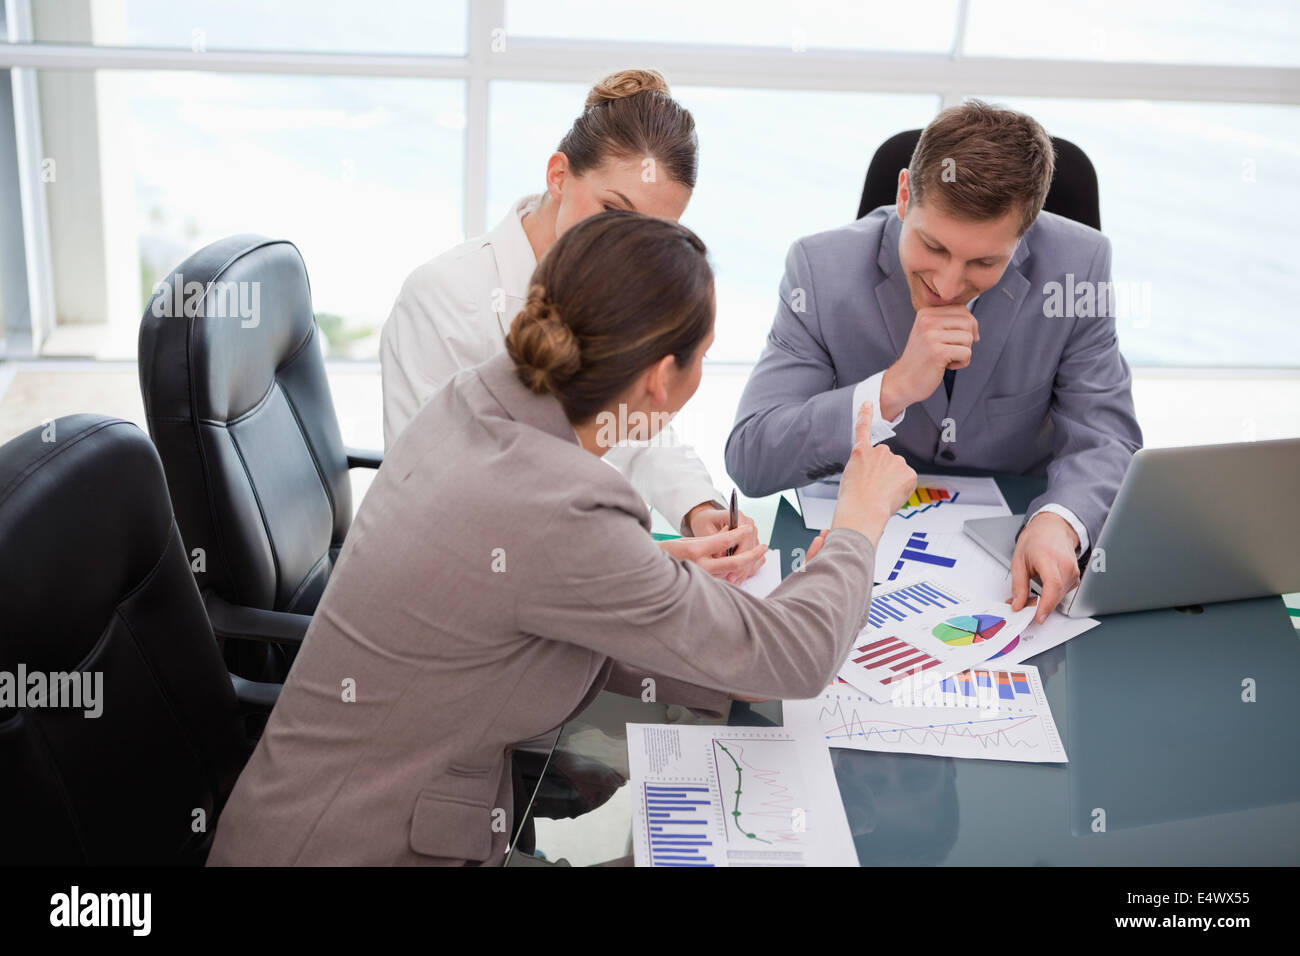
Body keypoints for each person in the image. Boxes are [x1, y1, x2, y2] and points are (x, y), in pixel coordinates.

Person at [206, 211, 916, 866]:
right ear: (662, 379)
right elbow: (792, 658)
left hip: (307, 811)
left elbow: (502, 566)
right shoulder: (565, 504)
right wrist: (858, 523)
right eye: (701, 356)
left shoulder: (471, 399)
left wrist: (647, 565)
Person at [725, 99, 1143, 624]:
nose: (947, 285)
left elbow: (1106, 437)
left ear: (1027, 229)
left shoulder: (1078, 267)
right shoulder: (819, 270)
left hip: (1011, 548)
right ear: (903, 195)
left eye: (985, 261)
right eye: (933, 246)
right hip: (861, 551)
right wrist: (891, 389)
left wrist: (1059, 522)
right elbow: (752, 456)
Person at [381, 68, 761, 582]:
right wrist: (646, 561)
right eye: (611, 209)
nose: (624, 242)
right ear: (558, 175)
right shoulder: (445, 296)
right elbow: (438, 508)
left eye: (651, 231)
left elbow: (632, 423)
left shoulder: (617, 286)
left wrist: (698, 509)